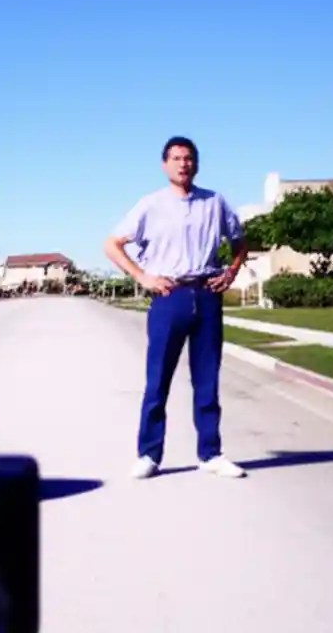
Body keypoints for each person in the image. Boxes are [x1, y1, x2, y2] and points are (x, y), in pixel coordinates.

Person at [103, 135, 248, 479]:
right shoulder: (150, 205)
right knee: (158, 380)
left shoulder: (214, 202)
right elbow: (112, 244)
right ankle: (149, 455)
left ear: (196, 163)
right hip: (170, 297)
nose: (184, 164)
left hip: (207, 294)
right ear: (165, 164)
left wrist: (231, 271)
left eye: (189, 158)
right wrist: (142, 276)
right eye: (177, 158)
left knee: (207, 380)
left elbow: (240, 242)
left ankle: (210, 454)